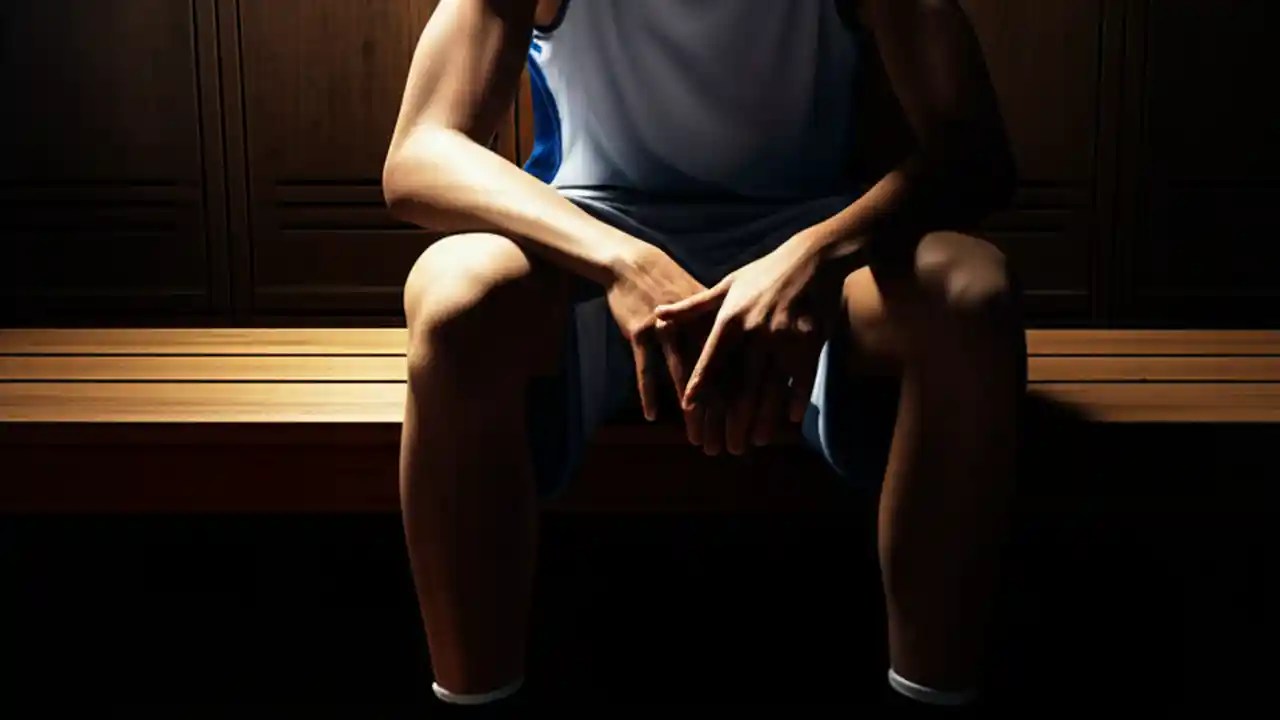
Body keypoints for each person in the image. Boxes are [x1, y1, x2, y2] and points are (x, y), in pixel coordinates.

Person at [382, 0, 1025, 710]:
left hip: (804, 248)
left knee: (971, 293)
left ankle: (933, 695)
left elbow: (974, 151)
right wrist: (622, 262)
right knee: (452, 302)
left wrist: (814, 256)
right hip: (596, 246)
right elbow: (420, 152)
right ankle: (476, 699)